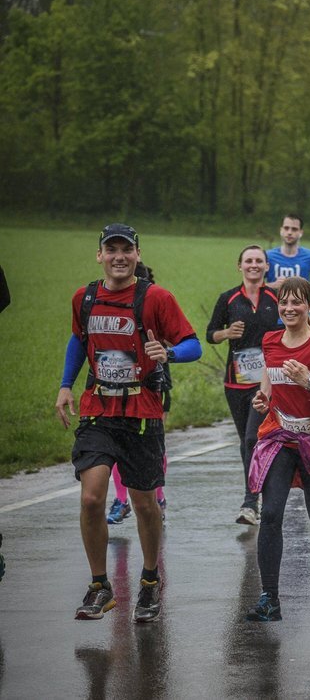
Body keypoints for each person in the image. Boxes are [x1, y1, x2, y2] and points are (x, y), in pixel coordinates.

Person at [56, 224, 201, 622]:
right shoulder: (84, 298)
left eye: (126, 249)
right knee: (91, 497)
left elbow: (194, 344)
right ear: (99, 255)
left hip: (142, 412)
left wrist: (169, 351)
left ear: (137, 253)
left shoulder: (156, 298)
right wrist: (66, 385)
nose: (118, 256)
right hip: (98, 409)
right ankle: (100, 586)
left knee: (144, 504)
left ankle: (151, 581)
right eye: (111, 249)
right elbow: (77, 340)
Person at [245, 277, 310, 622]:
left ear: (309, 305)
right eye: (283, 303)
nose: (289, 309)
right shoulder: (271, 340)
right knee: (272, 513)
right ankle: (269, 599)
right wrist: (263, 398)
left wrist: (308, 380)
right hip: (281, 438)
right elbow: (269, 375)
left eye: (297, 303)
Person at [207, 245, 283, 525]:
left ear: (266, 267)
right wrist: (226, 332)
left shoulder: (276, 297)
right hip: (236, 382)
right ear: (239, 266)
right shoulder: (228, 299)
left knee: (254, 437)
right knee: (246, 441)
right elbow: (209, 334)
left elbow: (298, 325)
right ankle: (260, 490)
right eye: (248, 261)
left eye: (259, 261)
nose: (253, 265)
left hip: (269, 380)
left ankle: (251, 501)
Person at [107, 262, 169, 526]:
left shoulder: (156, 301)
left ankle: (159, 496)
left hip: (154, 383)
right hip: (116, 384)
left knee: (154, 447)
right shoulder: (109, 303)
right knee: (117, 445)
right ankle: (121, 500)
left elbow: (178, 339)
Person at [266, 213, 310, 329]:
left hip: (302, 316)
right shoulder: (268, 257)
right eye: (286, 228)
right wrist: (272, 285)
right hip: (273, 316)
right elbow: (254, 285)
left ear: (301, 232)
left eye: (294, 229)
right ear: (281, 230)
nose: (289, 232)